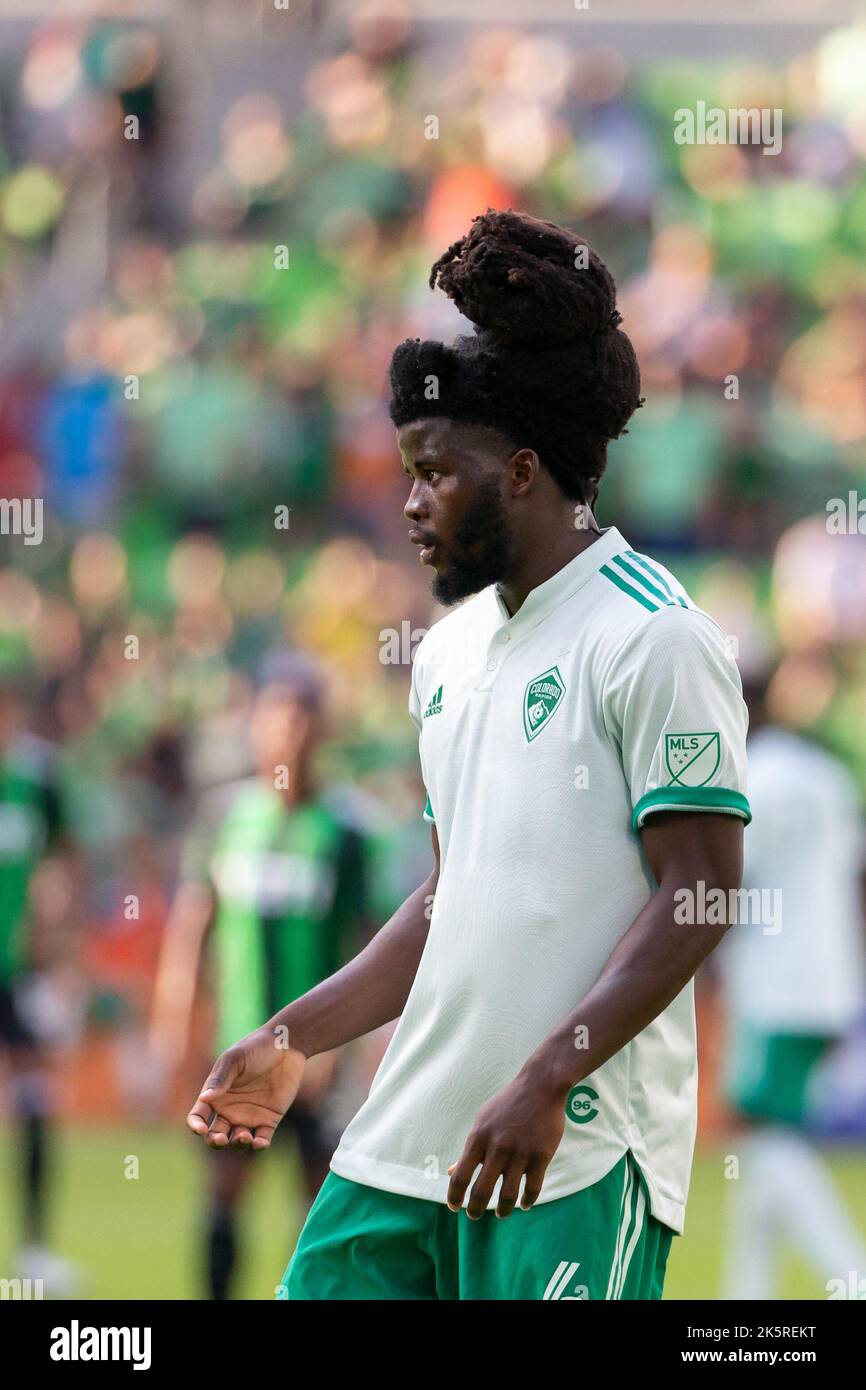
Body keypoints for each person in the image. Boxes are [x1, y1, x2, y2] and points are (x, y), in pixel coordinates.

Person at [187, 208, 751, 1301]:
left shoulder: (653, 635)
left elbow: (699, 895)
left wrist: (547, 1074)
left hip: (573, 1146)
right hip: (409, 1134)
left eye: (434, 473)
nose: (406, 503)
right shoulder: (445, 654)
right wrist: (293, 1034)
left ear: (523, 472)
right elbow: (450, 899)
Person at [152, 650, 374, 1298]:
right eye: (278, 721)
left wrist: (344, 1047)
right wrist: (174, 1019)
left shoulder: (346, 830)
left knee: (319, 1202)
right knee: (223, 1194)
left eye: (304, 723)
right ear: (257, 730)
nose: (290, 736)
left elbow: (367, 943)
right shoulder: (226, 818)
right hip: (238, 1043)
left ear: (322, 734)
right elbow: (194, 925)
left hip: (317, 1055)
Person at [717, 668, 866, 1299]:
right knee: (772, 1136)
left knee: (767, 1133)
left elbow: (727, 879)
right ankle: (747, 1297)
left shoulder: (748, 779)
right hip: (831, 976)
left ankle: (852, 1278)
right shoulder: (825, 775)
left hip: (774, 981)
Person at [0, 680, 78, 1292]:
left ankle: (33, 1248)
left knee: (35, 1099)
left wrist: (51, 933)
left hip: (17, 974)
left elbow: (64, 860)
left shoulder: (38, 781)